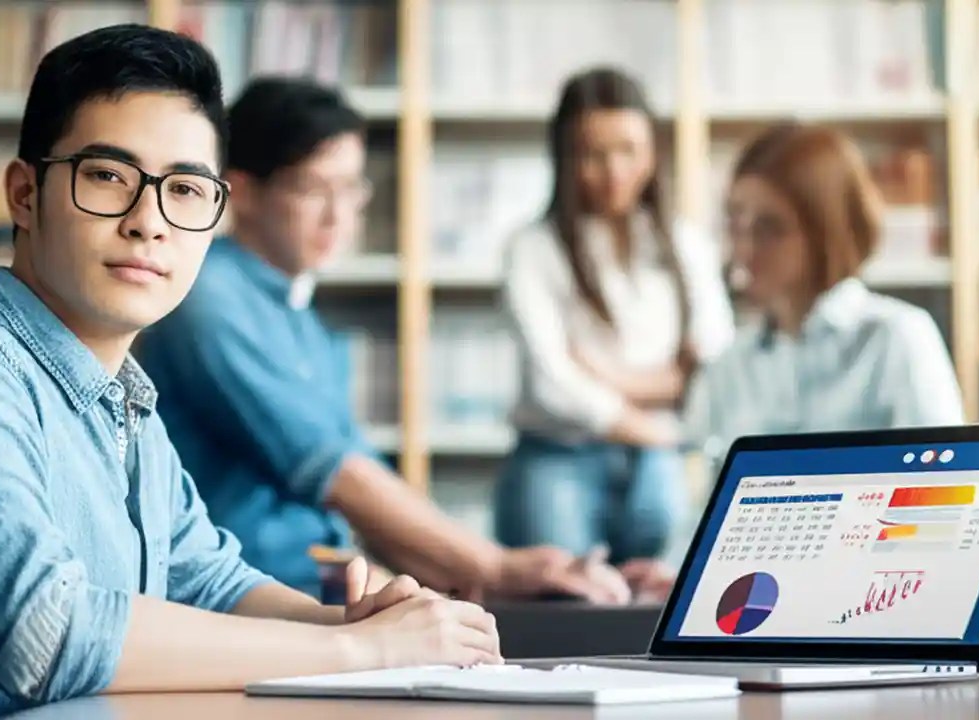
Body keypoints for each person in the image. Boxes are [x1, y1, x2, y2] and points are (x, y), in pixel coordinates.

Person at [0, 27, 503, 720]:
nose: (150, 222)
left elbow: (210, 580)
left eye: (186, 189)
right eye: (108, 176)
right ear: (24, 194)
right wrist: (364, 655)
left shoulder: (126, 404)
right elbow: (40, 633)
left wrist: (355, 624)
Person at [135, 77, 631, 607]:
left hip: (313, 583)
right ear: (244, 193)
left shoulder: (297, 312)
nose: (339, 214)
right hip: (244, 599)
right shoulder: (210, 297)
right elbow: (336, 475)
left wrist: (508, 577)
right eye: (312, 189)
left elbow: (363, 478)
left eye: (351, 188)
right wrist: (494, 566)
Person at [493, 68, 735, 595]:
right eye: (592, 154)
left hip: (659, 465)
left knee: (659, 612)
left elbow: (713, 363)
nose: (614, 172)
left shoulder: (683, 243)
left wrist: (602, 373)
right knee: (562, 616)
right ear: (564, 156)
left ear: (654, 148)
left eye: (629, 149)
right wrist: (651, 409)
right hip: (558, 459)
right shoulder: (533, 250)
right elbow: (551, 386)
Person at [684, 122, 964, 464]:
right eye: (736, 220)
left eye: (769, 227)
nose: (745, 248)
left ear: (824, 232)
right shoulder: (730, 364)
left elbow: (946, 482)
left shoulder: (895, 338)